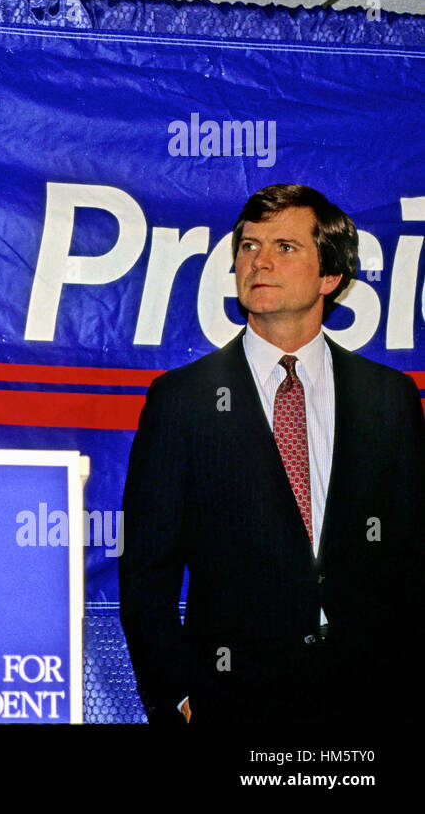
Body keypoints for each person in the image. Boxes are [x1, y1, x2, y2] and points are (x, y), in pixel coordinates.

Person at [120, 184, 424, 723]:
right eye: (248, 246)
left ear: (331, 276)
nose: (259, 261)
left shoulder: (389, 397)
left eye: (285, 247)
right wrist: (180, 697)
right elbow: (146, 573)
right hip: (233, 700)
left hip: (373, 698)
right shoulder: (182, 400)